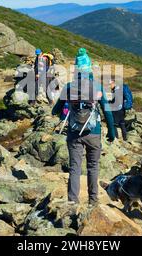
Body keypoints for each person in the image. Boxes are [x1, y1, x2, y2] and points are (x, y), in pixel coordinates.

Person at [52, 48, 116, 206]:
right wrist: (112, 132)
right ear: (89, 69)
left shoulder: (69, 87)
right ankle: (93, 202)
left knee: (75, 167)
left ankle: (72, 201)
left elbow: (56, 110)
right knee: (93, 167)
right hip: (94, 132)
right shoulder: (98, 87)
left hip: (74, 133)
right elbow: (107, 111)